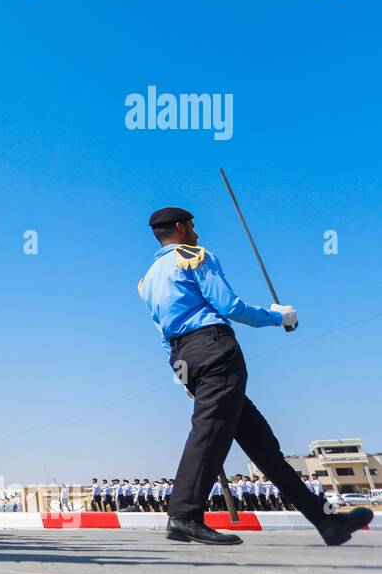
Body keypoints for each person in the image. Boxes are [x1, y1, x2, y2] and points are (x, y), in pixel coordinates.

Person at [138, 206, 372, 545]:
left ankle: (325, 522)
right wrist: (279, 317)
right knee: (209, 432)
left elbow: (163, 333)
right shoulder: (193, 256)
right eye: (192, 226)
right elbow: (229, 306)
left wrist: (182, 374)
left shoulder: (149, 279)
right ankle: (184, 515)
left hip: (184, 356)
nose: (197, 232)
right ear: (180, 227)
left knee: (264, 448)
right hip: (214, 348)